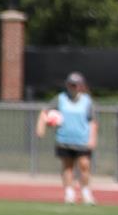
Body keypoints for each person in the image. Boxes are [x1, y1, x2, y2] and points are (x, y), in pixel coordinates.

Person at [35, 71, 97, 205]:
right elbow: (45, 112)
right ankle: (69, 193)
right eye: (70, 84)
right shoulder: (60, 98)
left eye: (75, 85)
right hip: (64, 139)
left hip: (82, 140)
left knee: (84, 165)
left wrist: (92, 139)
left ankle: (86, 192)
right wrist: (41, 127)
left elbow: (92, 121)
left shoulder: (87, 101)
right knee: (67, 166)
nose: (72, 87)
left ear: (81, 86)